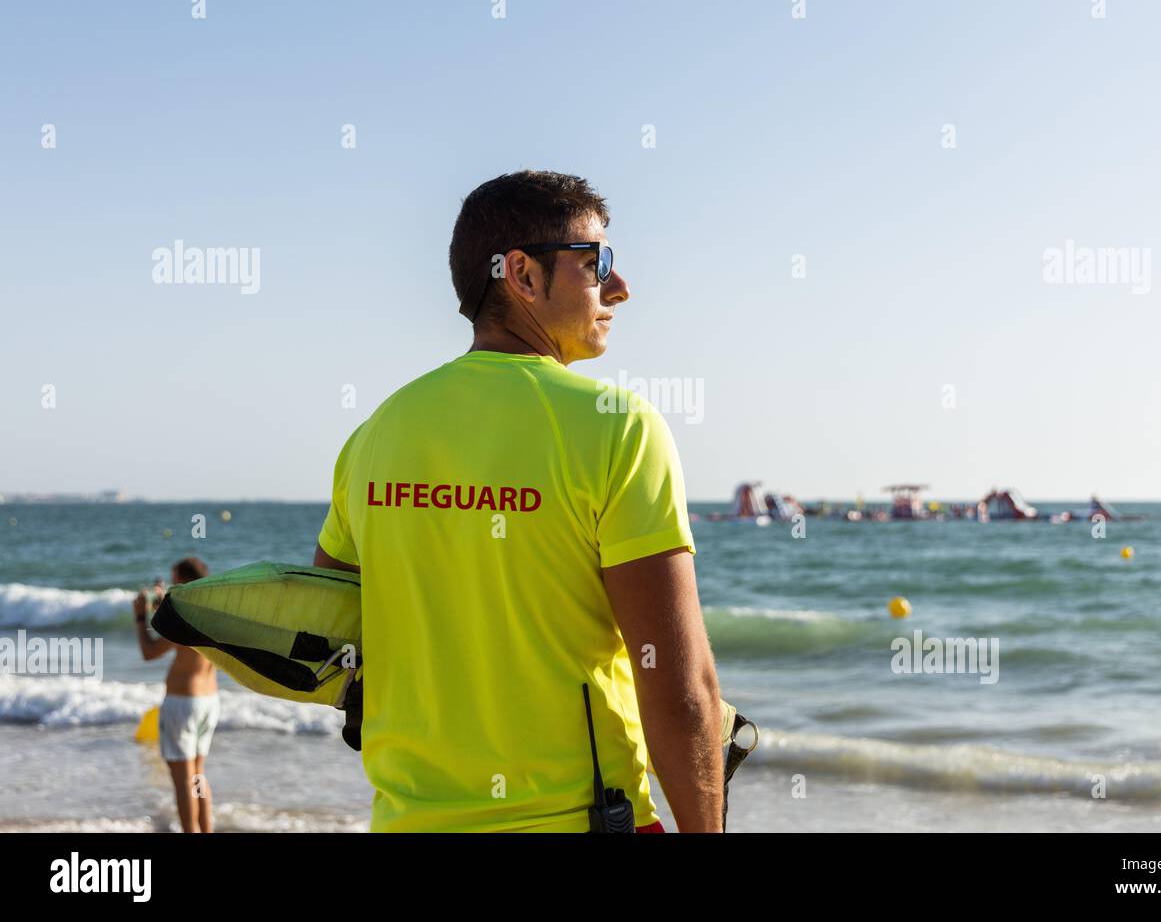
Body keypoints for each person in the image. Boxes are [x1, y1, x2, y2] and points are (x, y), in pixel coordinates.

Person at [313, 170, 724, 832]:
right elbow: (681, 692)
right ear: (524, 276)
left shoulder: (375, 434)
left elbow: (325, 632)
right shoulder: (619, 426)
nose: (619, 287)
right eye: (598, 264)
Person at [134, 556, 218, 832]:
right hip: (209, 701)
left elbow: (149, 652)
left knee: (183, 779)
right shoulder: (212, 613)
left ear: (184, 582)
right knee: (198, 775)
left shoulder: (182, 616)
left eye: (175, 581)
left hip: (182, 703)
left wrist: (139, 616)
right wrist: (162, 607)